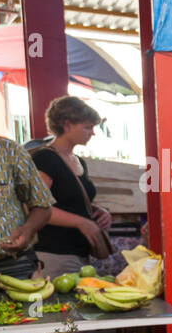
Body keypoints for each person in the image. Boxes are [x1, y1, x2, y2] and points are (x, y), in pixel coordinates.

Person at [29, 96, 113, 277]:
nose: (92, 133)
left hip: (80, 255)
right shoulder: (45, 159)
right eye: (87, 127)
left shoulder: (79, 162)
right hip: (53, 254)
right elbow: (37, 207)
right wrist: (81, 222)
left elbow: (69, 200)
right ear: (67, 125)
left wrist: (100, 211)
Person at [0, 133, 54, 286]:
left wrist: (28, 229)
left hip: (13, 267)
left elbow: (43, 205)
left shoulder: (8, 150)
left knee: (31, 310)